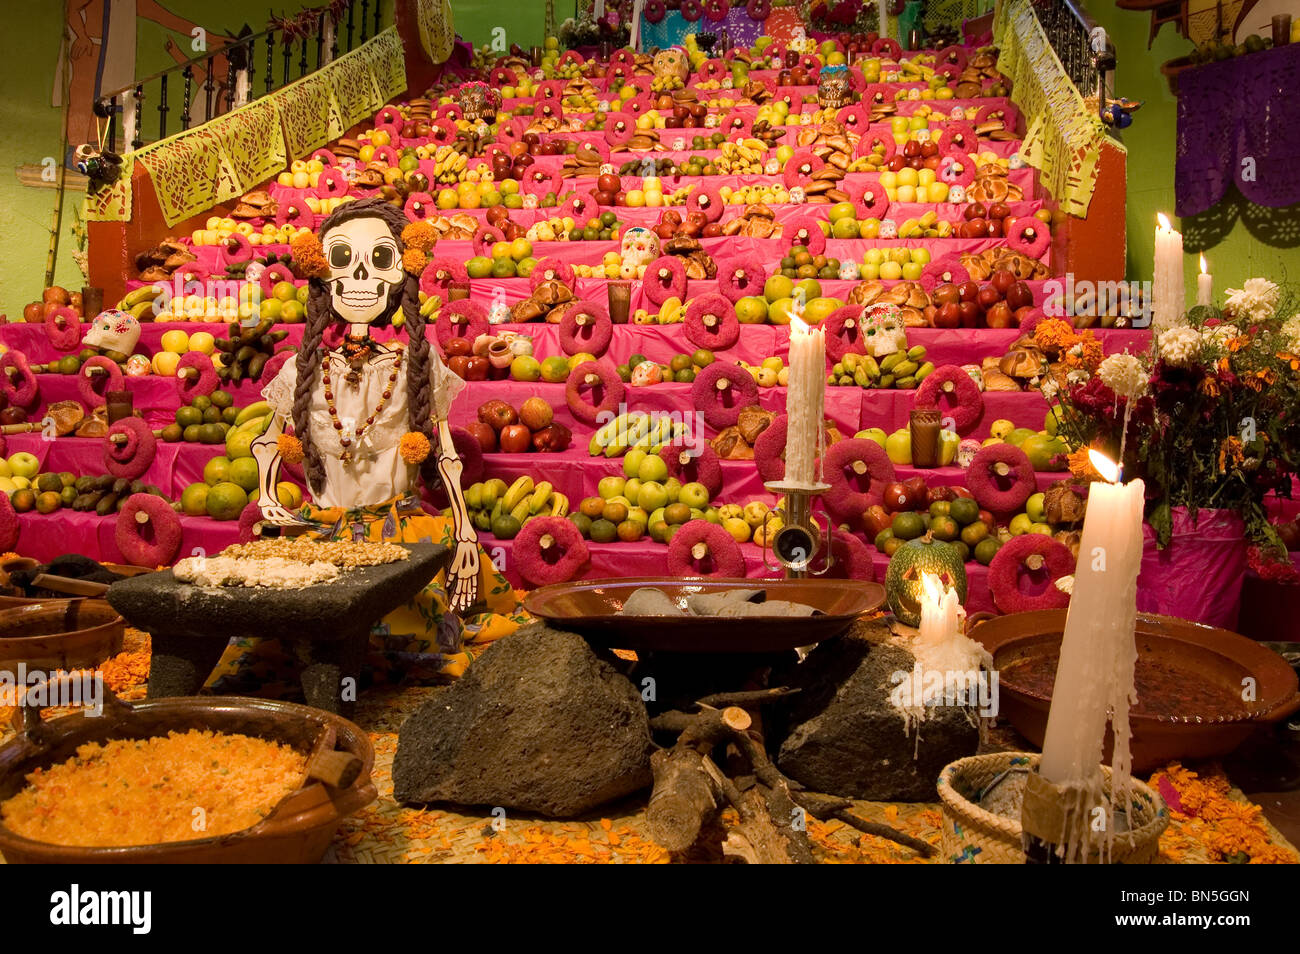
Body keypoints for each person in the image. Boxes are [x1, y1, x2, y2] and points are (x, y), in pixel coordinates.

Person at [209, 197, 525, 691]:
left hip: (399, 532)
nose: (359, 279)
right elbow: (268, 443)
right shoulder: (300, 370)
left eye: (379, 260)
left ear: (403, 273)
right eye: (342, 261)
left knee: (419, 640)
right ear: (321, 274)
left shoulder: (416, 367)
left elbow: (446, 455)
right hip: (321, 536)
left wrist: (463, 533)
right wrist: (268, 495)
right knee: (267, 651)